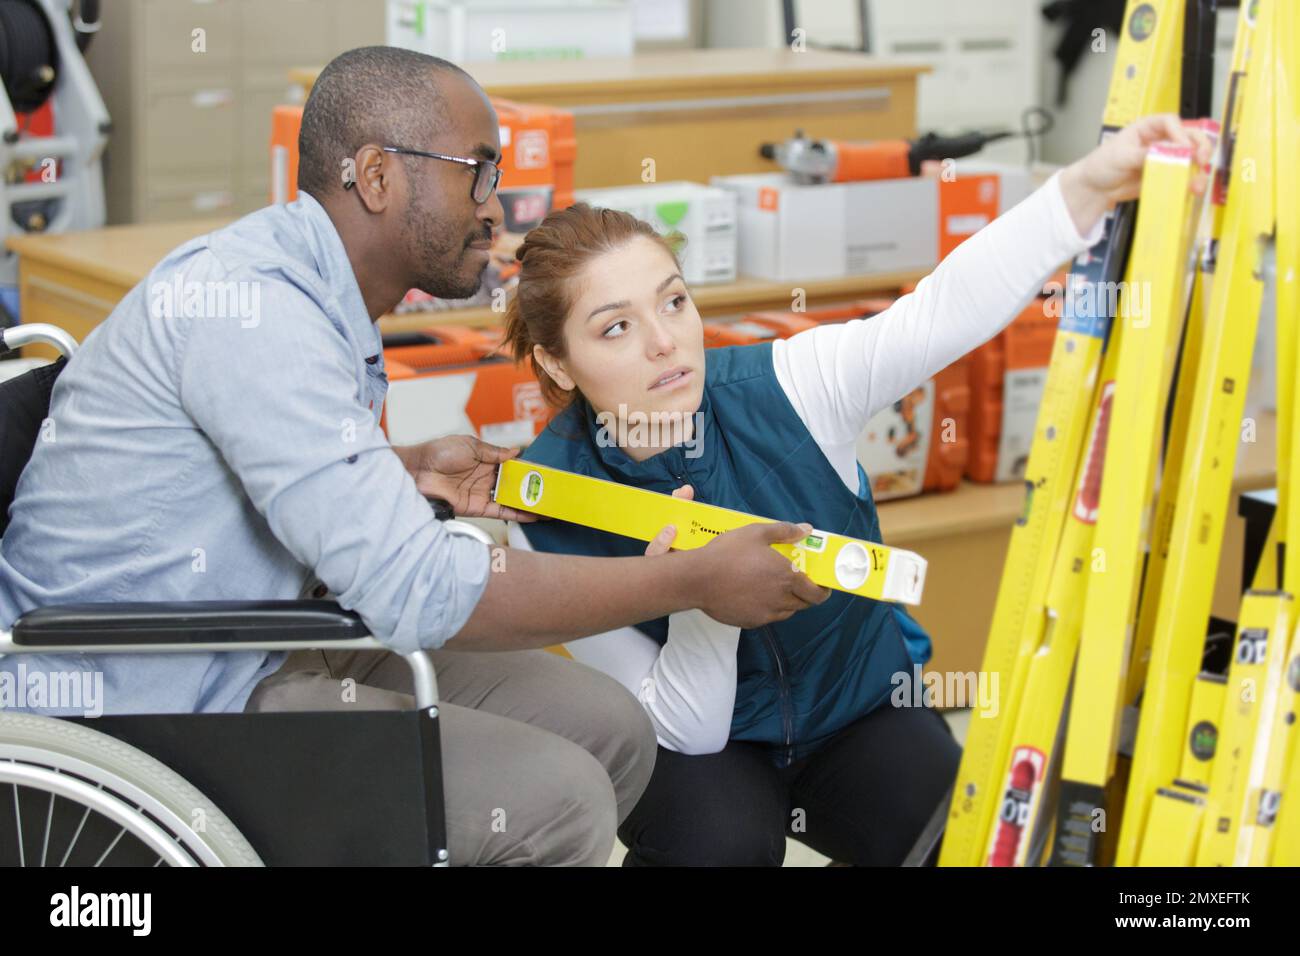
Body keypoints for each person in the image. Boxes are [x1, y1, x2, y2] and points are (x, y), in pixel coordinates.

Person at [0, 47, 831, 866]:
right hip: (151, 685)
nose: (494, 205)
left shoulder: (313, 290)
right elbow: (423, 592)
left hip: (254, 623)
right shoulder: (255, 312)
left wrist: (399, 469)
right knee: (557, 801)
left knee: (609, 725)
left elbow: (245, 473)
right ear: (376, 176)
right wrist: (690, 581)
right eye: (475, 170)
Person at [501, 115, 1212, 865]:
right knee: (721, 849)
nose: (664, 341)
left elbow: (944, 310)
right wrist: (700, 596)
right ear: (555, 365)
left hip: (856, 708)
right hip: (700, 747)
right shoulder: (547, 509)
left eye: (673, 301)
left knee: (958, 841)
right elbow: (686, 729)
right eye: (615, 328)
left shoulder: (795, 383)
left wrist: (1087, 183)